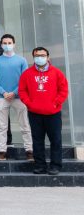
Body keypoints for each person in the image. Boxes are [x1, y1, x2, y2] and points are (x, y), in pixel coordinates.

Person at [19, 47, 68, 175]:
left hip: (53, 113)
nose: (39, 57)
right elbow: (22, 91)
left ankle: (55, 166)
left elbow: (63, 90)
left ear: (48, 57)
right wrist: (29, 103)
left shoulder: (57, 73)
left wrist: (55, 103)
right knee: (37, 140)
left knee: (55, 140)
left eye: (42, 55)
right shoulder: (27, 74)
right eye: (37, 55)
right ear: (33, 57)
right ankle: (40, 165)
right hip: (34, 113)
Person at [0, 35, 32, 162]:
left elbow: (25, 80)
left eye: (9, 42)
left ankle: (29, 150)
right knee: (2, 127)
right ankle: (2, 151)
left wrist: (14, 92)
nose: (7, 45)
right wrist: (3, 92)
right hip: (2, 98)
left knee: (25, 125)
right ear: (1, 45)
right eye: (5, 43)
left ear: (14, 44)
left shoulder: (21, 60)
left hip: (19, 98)